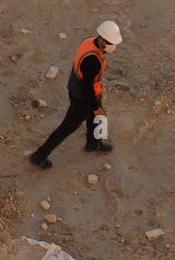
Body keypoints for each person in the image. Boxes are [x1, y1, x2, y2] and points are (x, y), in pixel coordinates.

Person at [29, 21, 122, 169]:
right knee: (66, 128)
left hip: (77, 88)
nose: (114, 46)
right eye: (111, 43)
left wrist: (96, 107)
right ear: (102, 40)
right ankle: (38, 156)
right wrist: (95, 106)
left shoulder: (88, 41)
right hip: (83, 99)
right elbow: (87, 88)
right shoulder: (92, 61)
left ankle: (93, 144)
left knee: (96, 119)